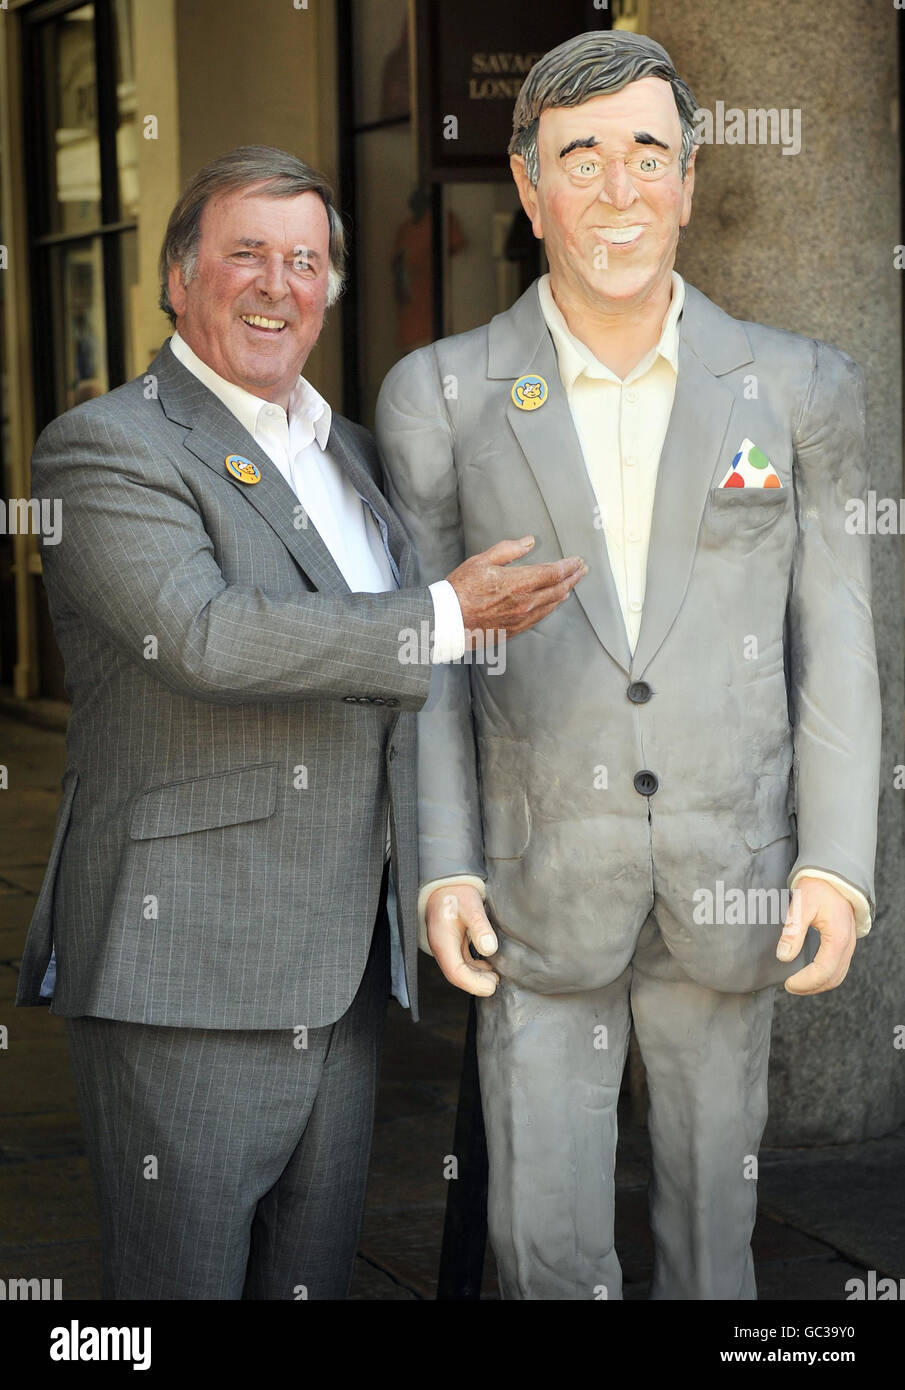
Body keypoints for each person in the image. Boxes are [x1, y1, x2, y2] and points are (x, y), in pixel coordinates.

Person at [15, 145, 585, 1300]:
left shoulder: (350, 453)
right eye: (246, 257)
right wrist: (441, 609)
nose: (279, 284)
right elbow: (209, 635)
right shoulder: (104, 447)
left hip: (337, 963)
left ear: (330, 288)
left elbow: (389, 658)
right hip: (187, 965)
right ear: (178, 280)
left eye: (306, 261)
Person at [376, 32, 881, 1300]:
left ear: (691, 178)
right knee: (540, 1248)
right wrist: (441, 862)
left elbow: (835, 641)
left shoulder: (799, 385)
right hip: (536, 886)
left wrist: (835, 862)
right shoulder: (436, 396)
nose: (617, 187)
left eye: (647, 153)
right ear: (527, 183)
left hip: (732, 877)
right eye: (580, 157)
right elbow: (426, 656)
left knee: (716, 1240)